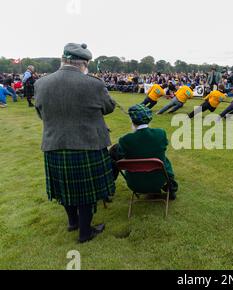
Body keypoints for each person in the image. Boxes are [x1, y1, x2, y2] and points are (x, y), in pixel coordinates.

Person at [35, 43, 116, 243]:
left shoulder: (42, 83)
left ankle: (73, 222)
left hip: (54, 144)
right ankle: (85, 232)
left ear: (63, 59)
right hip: (87, 144)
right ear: (84, 63)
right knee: (85, 192)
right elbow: (108, 107)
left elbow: (40, 113)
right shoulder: (93, 83)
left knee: (64, 188)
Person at [109, 105, 178, 200]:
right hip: (159, 181)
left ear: (132, 120)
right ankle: (171, 188)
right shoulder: (160, 133)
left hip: (135, 183)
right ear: (149, 119)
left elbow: (120, 154)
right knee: (164, 160)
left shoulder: (125, 140)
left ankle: (109, 186)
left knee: (113, 152)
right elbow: (164, 145)